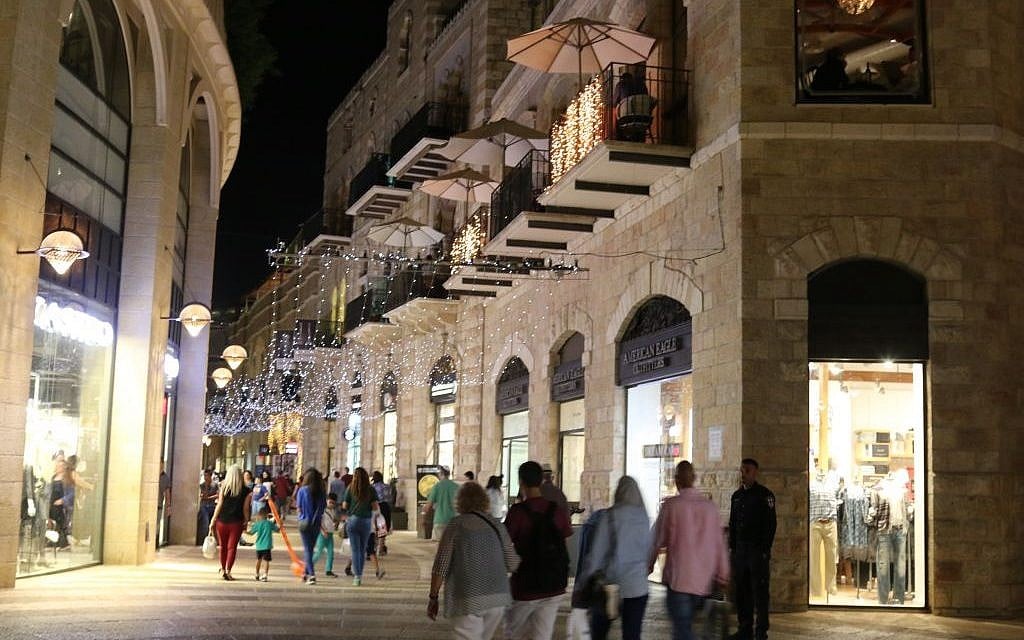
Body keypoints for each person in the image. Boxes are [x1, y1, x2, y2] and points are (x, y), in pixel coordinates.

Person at [427, 481, 520, 639]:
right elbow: (513, 563)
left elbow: (441, 566)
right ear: (485, 500)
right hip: (497, 598)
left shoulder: (456, 525)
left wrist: (433, 597)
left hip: (467, 598)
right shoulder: (497, 525)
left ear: (459, 501)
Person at [650, 462, 730, 640]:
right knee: (685, 627)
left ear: (677, 480)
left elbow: (657, 540)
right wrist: (723, 574)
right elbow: (719, 543)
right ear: (694, 479)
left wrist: (648, 565)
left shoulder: (671, 506)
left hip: (679, 580)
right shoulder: (710, 508)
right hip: (703, 581)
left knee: (682, 629)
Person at [504, 460, 572, 640]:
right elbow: (564, 543)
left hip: (526, 585)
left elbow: (505, 543)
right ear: (542, 480)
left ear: (521, 482)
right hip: (554, 584)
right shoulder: (556, 511)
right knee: (543, 635)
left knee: (514, 632)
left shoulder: (517, 512)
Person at [578, 476, 652, 640]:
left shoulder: (610, 516)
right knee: (632, 635)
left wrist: (583, 582)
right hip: (637, 587)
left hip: (610, 586)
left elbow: (596, 553)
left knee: (599, 632)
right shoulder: (643, 518)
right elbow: (648, 549)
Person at [729, 458, 776, 640]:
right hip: (741, 553)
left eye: (747, 471)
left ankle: (761, 631)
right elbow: (733, 524)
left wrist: (764, 550)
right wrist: (733, 548)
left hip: (757, 552)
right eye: (742, 471)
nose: (743, 474)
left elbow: (771, 525)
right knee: (742, 592)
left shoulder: (765, 496)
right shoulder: (737, 496)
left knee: (760, 593)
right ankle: (745, 628)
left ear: (755, 472)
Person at [208, 465, 252, 581]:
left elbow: (220, 504)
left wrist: (213, 519)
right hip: (236, 522)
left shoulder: (224, 487)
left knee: (223, 546)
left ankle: (222, 568)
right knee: (232, 547)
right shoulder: (246, 490)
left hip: (222, 521)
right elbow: (245, 508)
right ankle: (228, 571)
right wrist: (246, 521)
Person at [341, 467, 379, 586]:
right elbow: (375, 507)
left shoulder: (350, 488)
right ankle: (359, 575)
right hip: (366, 522)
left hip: (352, 521)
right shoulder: (370, 490)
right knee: (362, 550)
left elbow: (345, 505)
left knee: (355, 550)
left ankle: (356, 577)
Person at [295, 467, 326, 585]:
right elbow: (323, 508)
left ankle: (311, 575)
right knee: (310, 549)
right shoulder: (322, 493)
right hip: (316, 524)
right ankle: (305, 572)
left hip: (304, 523)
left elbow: (298, 508)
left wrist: (301, 517)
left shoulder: (302, 490)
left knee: (308, 549)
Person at [425, 467, 459, 540]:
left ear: (441, 474)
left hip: (440, 519)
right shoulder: (457, 487)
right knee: (452, 544)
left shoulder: (437, 487)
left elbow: (429, 505)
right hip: (454, 520)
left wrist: (424, 517)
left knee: (440, 545)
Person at [247, 505, 278, 581]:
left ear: (259, 515)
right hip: (267, 545)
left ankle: (257, 574)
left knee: (258, 560)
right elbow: (277, 530)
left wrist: (243, 531)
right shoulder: (269, 523)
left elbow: (251, 533)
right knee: (266, 561)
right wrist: (280, 524)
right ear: (267, 515)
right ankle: (265, 575)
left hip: (259, 545)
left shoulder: (257, 524)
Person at [312, 492, 339, 577]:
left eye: (333, 503)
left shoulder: (333, 511)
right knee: (319, 552)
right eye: (330, 502)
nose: (331, 504)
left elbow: (334, 520)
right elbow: (318, 522)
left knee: (331, 553)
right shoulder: (322, 510)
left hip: (330, 534)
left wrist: (336, 523)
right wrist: (323, 531)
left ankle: (328, 570)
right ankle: (309, 567)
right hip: (322, 534)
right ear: (326, 501)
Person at [371, 470, 393, 554]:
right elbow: (390, 499)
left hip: (375, 507)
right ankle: (381, 548)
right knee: (383, 526)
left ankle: (374, 547)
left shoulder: (372, 487)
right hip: (385, 507)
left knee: (374, 527)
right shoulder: (387, 486)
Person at [196, 468, 218, 545]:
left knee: (212, 524)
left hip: (211, 506)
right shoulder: (202, 485)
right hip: (204, 506)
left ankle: (212, 540)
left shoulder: (215, 485)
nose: (205, 477)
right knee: (205, 523)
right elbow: (202, 495)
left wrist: (209, 498)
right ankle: (203, 540)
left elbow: (217, 495)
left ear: (210, 476)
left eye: (207, 475)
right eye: (204, 476)